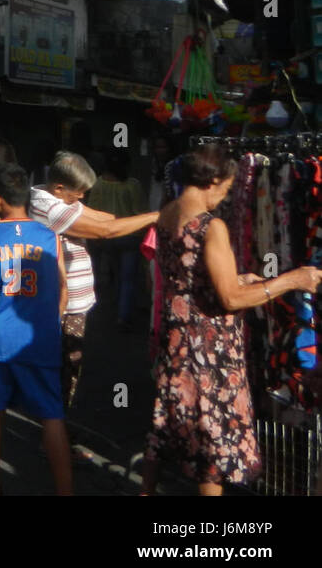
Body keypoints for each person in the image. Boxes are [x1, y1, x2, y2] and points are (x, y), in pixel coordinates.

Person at [141, 143, 322, 496]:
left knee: (168, 424)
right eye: (226, 189)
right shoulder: (211, 227)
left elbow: (189, 280)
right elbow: (230, 299)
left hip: (177, 338)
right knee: (213, 443)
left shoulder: (165, 216)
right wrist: (291, 280)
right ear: (213, 181)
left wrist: (244, 280)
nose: (225, 197)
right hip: (210, 351)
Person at [0, 162, 72, 496]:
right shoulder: (50, 238)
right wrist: (50, 324)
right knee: (52, 416)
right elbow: (63, 289)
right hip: (39, 340)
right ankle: (65, 491)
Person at [28, 151, 159, 411]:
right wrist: (156, 217)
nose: (80, 197)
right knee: (66, 366)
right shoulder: (50, 208)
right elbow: (104, 230)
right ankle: (56, 435)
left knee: (65, 366)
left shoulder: (54, 196)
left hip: (67, 300)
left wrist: (141, 219)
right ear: (60, 187)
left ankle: (56, 429)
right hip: (63, 303)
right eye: (77, 192)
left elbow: (101, 218)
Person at [86, 150, 146, 331]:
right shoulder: (132, 185)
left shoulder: (98, 184)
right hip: (130, 237)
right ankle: (123, 315)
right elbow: (140, 212)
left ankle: (110, 308)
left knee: (114, 273)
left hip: (107, 237)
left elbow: (92, 210)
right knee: (128, 277)